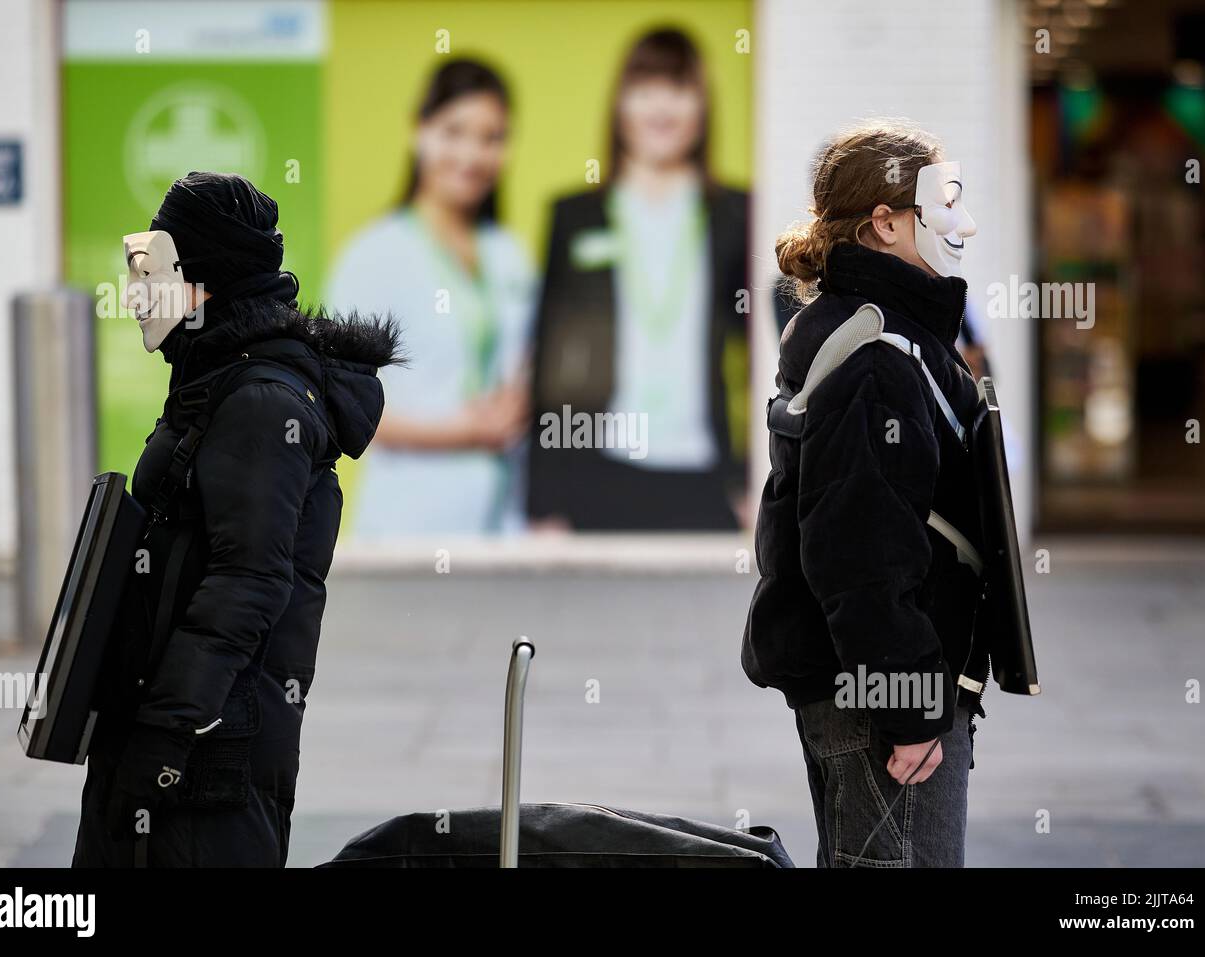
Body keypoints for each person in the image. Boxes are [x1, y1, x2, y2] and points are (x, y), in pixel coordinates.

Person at [73, 172, 399, 867]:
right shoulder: (217, 376)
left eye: (149, 269)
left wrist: (165, 736)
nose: (133, 294)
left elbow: (247, 581)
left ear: (204, 281)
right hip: (179, 723)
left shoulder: (261, 402)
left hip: (211, 751)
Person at [741, 120, 985, 867]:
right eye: (943, 202)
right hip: (883, 699)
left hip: (871, 685)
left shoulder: (873, 330)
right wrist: (910, 703)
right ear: (884, 222)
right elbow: (859, 550)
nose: (963, 222)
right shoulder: (876, 356)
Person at [528, 28, 749, 531]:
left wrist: (758, 480)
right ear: (620, 105)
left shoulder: (736, 213)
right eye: (645, 90)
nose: (662, 109)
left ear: (702, 105)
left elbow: (766, 355)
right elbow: (549, 359)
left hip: (707, 478)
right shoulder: (575, 216)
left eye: (679, 89)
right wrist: (544, 503)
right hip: (598, 472)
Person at [328, 59, 535, 537]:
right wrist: (465, 431)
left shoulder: (511, 255)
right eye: (454, 131)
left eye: (492, 137)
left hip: (508, 528)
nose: (472, 153)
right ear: (420, 132)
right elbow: (341, 407)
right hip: (410, 528)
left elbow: (528, 368)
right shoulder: (373, 255)